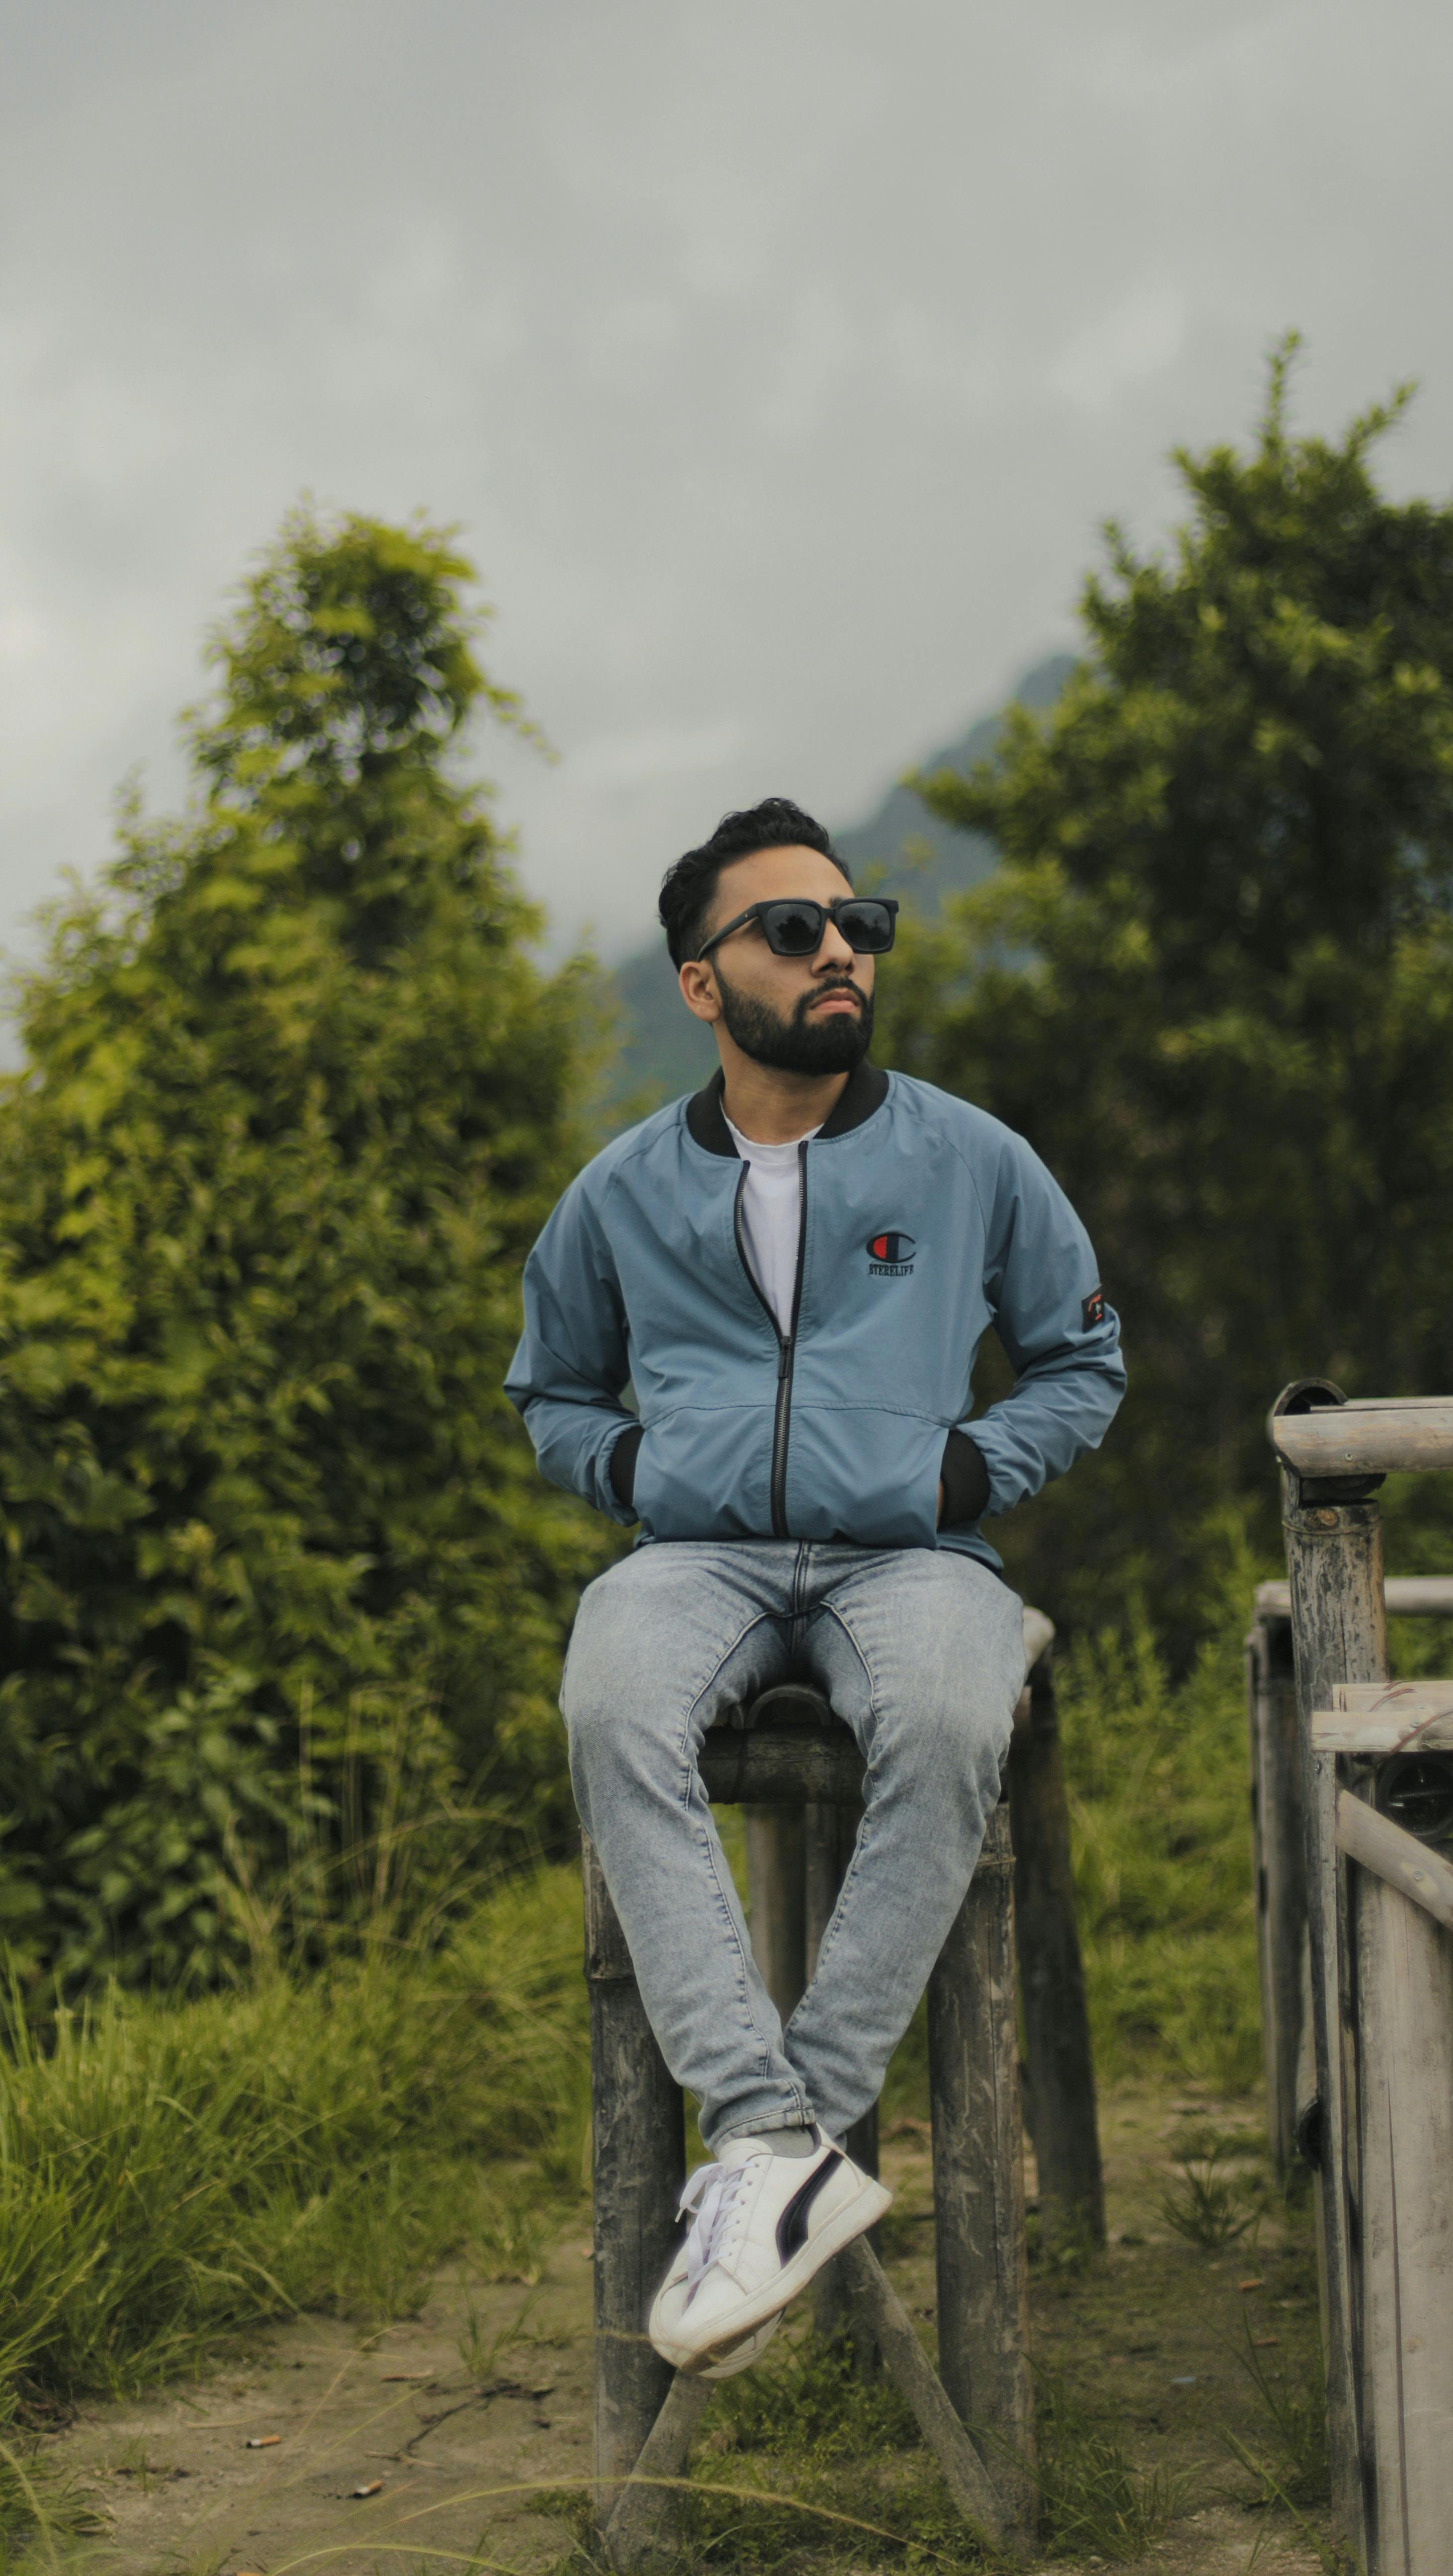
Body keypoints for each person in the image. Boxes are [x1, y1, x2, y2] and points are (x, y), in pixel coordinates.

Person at [506, 797, 1124, 2377]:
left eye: (859, 923)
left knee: (948, 1716)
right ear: (702, 981)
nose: (839, 948)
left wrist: (963, 1477)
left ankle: (780, 2146)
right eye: (793, 928)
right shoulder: (620, 1188)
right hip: (691, 1555)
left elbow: (1080, 1358)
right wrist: (637, 1473)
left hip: (913, 1556)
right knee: (610, 1702)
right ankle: (777, 2138)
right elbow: (551, 1388)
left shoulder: (970, 1156)